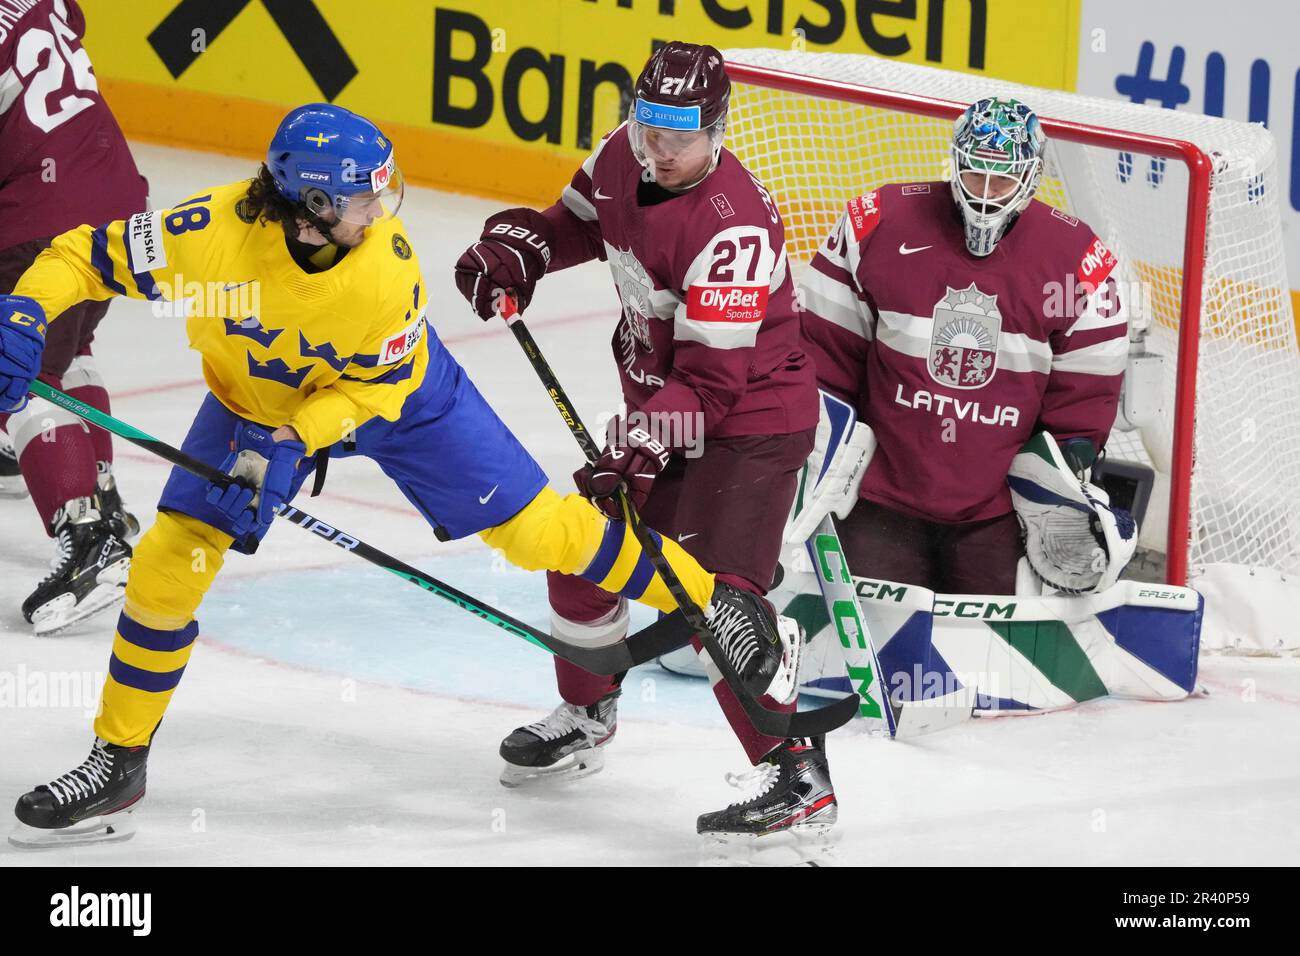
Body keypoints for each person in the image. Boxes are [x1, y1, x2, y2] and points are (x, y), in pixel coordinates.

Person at [0, 103, 786, 848]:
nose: (382, 214)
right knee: (169, 565)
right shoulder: (199, 236)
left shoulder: (384, 270)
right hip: (256, 399)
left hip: (405, 401)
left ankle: (709, 599)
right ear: (308, 206)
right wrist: (25, 316)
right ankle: (118, 762)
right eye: (361, 202)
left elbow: (375, 390)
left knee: (539, 530)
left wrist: (293, 439)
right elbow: (76, 258)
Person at [455, 42, 835, 839]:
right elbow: (576, 226)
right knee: (586, 556)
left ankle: (798, 777)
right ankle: (588, 717)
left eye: (679, 138)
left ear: (718, 129)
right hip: (665, 410)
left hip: (748, 427)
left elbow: (713, 384)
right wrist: (519, 253)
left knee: (717, 600)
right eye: (646, 128)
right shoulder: (623, 154)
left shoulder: (734, 231)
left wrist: (643, 446)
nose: (657, 151)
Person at [798, 97, 1128, 594]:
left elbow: (1083, 405)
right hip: (878, 497)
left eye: (1003, 180)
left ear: (1032, 177)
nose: (987, 194)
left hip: (998, 512)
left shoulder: (1080, 264)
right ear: (954, 161)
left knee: (993, 667)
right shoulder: (877, 225)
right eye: (975, 174)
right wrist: (812, 461)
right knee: (882, 653)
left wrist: (1060, 489)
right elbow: (824, 360)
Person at [0, 0, 145, 633]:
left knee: (16, 372)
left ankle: (89, 537)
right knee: (73, 341)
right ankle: (101, 489)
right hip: (114, 197)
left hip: (39, 214)